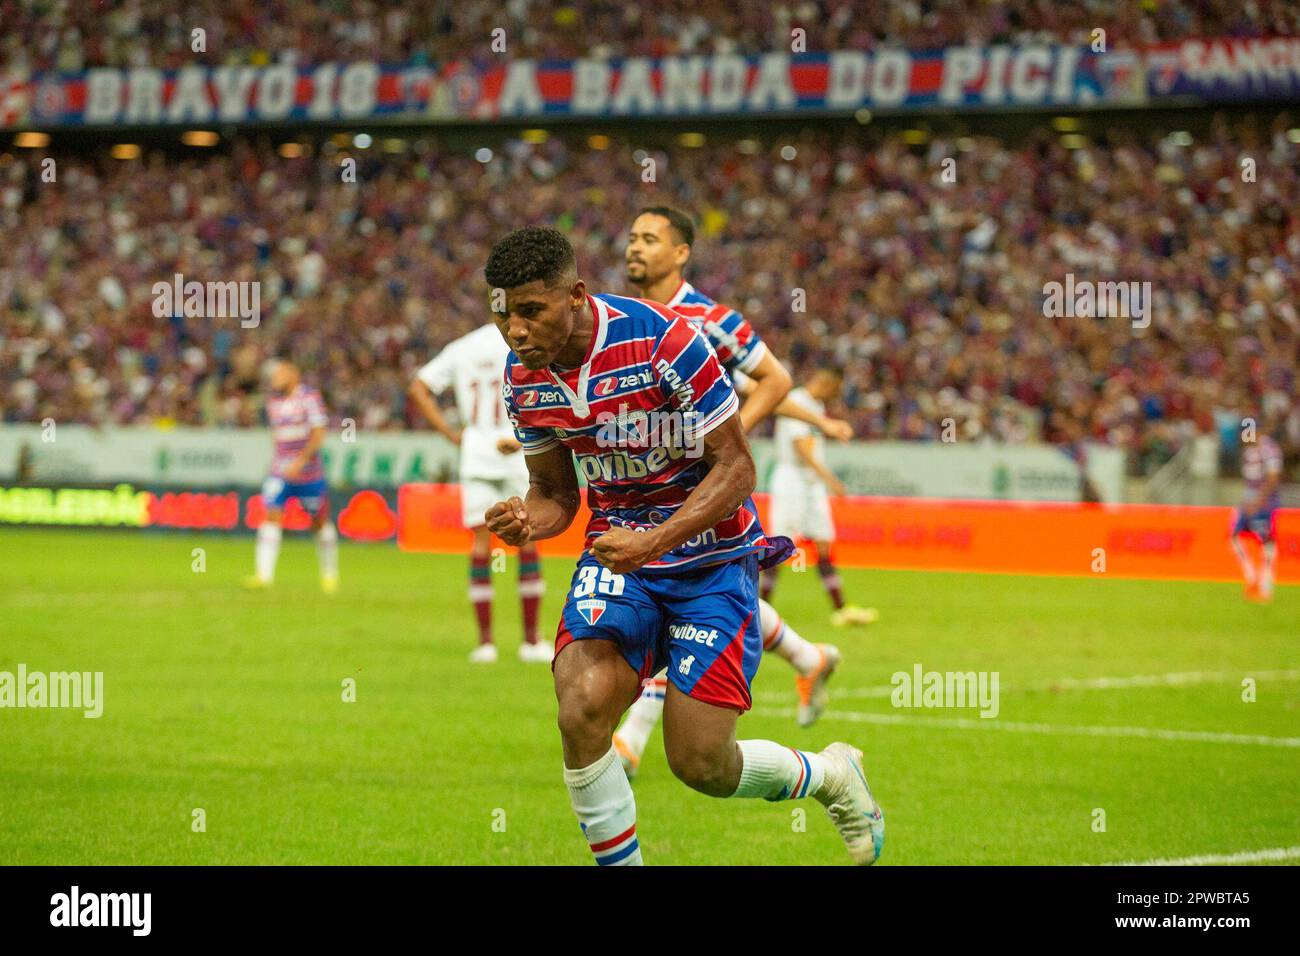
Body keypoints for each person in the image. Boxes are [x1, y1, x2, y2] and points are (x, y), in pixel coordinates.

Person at [483, 227, 884, 866]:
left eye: (531, 312)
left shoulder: (663, 340)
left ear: (577, 296)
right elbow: (555, 493)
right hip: (621, 558)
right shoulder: (522, 376)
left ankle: (830, 775)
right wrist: (527, 518)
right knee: (581, 707)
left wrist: (657, 538)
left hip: (710, 560)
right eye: (502, 314)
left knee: (702, 765)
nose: (515, 331)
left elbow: (737, 470)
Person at [409, 324, 551, 662]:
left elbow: (419, 387)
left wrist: (453, 435)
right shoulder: (525, 340)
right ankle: (530, 641)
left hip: (475, 449)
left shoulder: (463, 346)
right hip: (518, 447)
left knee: (481, 542)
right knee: (527, 538)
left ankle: (485, 643)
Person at [763, 367, 879, 627]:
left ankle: (841, 608)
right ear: (826, 383)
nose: (834, 395)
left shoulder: (815, 406)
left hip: (811, 483)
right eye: (834, 389)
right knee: (782, 544)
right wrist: (831, 480)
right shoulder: (795, 402)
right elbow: (800, 447)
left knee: (823, 542)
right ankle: (760, 611)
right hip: (792, 479)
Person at [244, 358, 339, 592]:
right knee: (271, 515)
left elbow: (318, 434)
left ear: (293, 374)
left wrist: (301, 461)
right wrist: (276, 461)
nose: (274, 378)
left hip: (309, 473)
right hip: (281, 472)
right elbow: (277, 435)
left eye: (278, 373)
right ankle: (263, 576)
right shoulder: (272, 401)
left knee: (319, 522)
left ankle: (329, 574)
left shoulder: (310, 398)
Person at [1231, 419, 1283, 603]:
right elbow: (1249, 482)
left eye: (1247, 431)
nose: (1244, 436)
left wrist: (1259, 501)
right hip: (1249, 502)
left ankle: (1265, 584)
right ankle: (1251, 576)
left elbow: (1273, 478)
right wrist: (1246, 501)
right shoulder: (1249, 451)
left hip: (1264, 504)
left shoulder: (1269, 449)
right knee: (1234, 536)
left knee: (1266, 541)